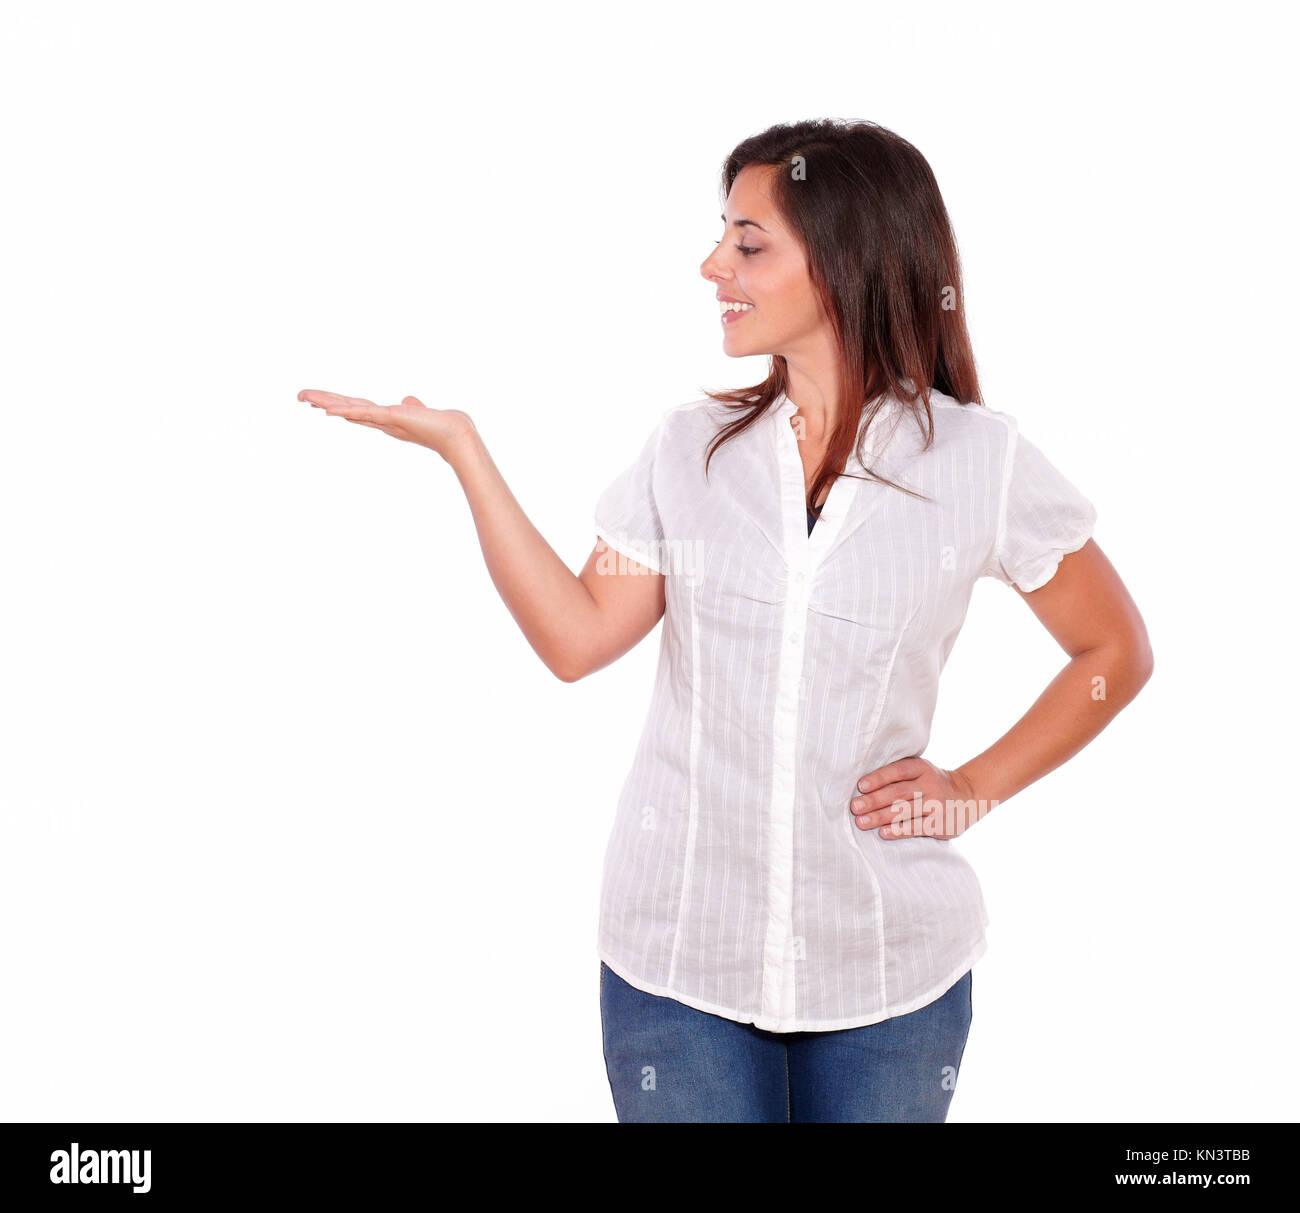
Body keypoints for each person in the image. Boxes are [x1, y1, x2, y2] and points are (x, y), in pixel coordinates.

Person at [297, 118, 1154, 1123]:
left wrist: (972, 786)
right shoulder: (686, 450)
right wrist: (464, 453)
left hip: (886, 969)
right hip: (678, 960)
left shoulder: (978, 462)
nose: (713, 266)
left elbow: (1112, 650)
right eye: (722, 238)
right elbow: (576, 638)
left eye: (748, 243)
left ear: (845, 262)